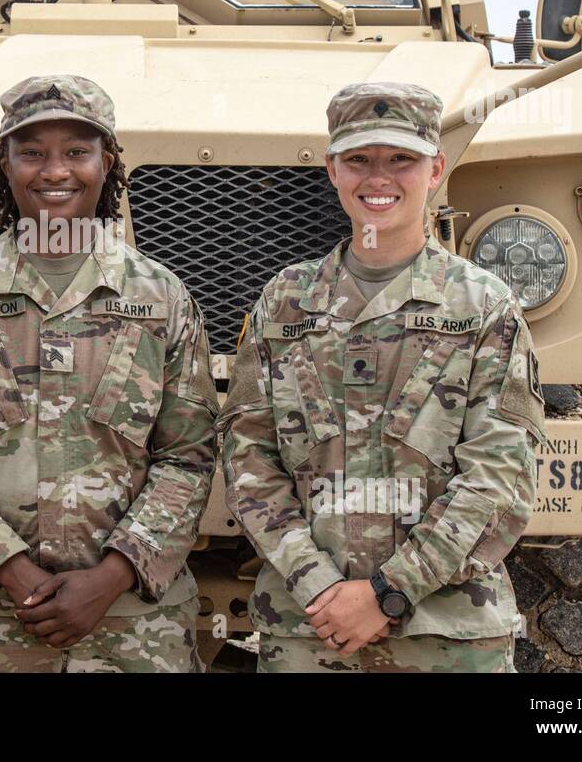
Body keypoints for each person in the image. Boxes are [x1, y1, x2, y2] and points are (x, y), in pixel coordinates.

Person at [0, 74, 218, 672]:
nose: (54, 171)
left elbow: (188, 457)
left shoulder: (161, 297)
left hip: (135, 625)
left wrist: (113, 576)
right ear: (5, 165)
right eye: (32, 152)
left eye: (76, 151)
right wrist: (13, 574)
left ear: (107, 162)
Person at [219, 82, 544, 673]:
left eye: (401, 159)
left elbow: (500, 475)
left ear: (437, 168)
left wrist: (389, 593)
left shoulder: (483, 307)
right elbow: (249, 462)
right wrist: (317, 584)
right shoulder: (285, 303)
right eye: (359, 160)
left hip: (448, 635)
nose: (379, 178)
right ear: (332, 170)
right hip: (307, 631)